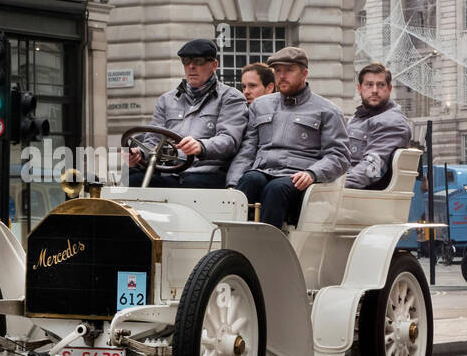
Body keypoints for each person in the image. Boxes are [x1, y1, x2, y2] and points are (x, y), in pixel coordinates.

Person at [226, 45, 350, 227]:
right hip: (263, 170)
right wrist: (232, 183)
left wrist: (312, 173)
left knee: (276, 189)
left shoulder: (328, 111)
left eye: (289, 70)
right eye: (277, 71)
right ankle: (232, 244)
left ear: (304, 74)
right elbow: (248, 149)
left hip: (297, 177)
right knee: (248, 181)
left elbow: (339, 156)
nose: (282, 76)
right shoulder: (260, 105)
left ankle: (268, 247)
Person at [126, 38, 249, 188]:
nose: (191, 67)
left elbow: (229, 140)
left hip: (207, 173)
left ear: (214, 65)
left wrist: (201, 146)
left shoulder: (230, 98)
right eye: (186, 61)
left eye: (198, 61)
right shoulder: (166, 100)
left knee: (192, 183)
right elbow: (152, 141)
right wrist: (139, 153)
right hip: (170, 173)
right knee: (132, 181)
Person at [345, 62, 413, 190]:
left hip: (361, 196)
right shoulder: (358, 117)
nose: (375, 90)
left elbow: (372, 168)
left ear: (389, 89)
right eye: (369, 85)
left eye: (380, 85)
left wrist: (334, 184)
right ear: (359, 89)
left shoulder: (392, 121)